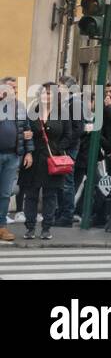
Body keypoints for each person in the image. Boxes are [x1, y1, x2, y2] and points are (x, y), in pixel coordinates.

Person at [19, 83, 75, 240]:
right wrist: (26, 143)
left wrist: (58, 149)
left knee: (50, 195)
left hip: (53, 159)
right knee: (31, 194)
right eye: (43, 93)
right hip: (33, 157)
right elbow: (24, 131)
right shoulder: (32, 112)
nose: (46, 96)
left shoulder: (62, 113)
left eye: (49, 93)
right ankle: (30, 228)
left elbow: (69, 135)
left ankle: (46, 228)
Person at [0, 76, 33, 241]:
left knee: (6, 193)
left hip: (13, 155)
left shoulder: (19, 107)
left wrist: (29, 152)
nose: (13, 91)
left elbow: (27, 130)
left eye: (15, 88)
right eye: (10, 87)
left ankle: (2, 227)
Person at [51, 77, 84, 227]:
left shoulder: (75, 103)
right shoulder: (66, 102)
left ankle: (67, 214)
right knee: (62, 181)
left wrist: (63, 145)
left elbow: (78, 129)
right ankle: (62, 211)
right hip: (65, 146)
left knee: (66, 181)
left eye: (60, 86)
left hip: (69, 147)